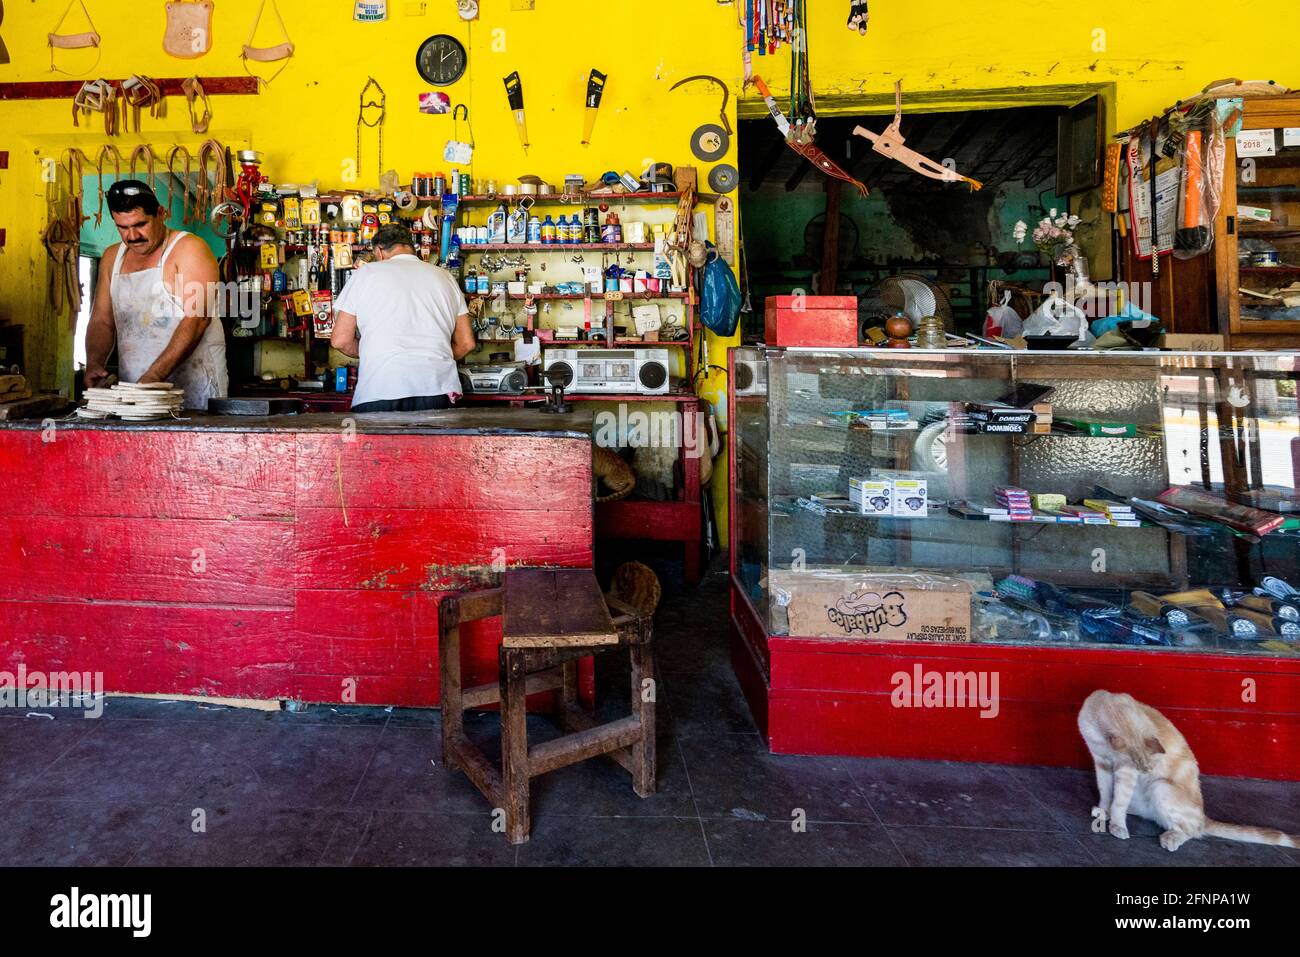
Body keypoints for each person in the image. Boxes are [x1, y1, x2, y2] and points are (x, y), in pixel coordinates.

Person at [84, 179, 228, 410]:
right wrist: (94, 363)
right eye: (122, 227)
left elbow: (197, 319)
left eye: (140, 224)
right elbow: (102, 320)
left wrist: (153, 377)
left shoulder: (190, 249)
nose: (132, 236)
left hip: (195, 391)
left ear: (160, 213)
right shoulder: (112, 258)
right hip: (136, 393)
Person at [331, 224, 476, 413]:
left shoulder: (366, 274)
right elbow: (466, 343)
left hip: (380, 391)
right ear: (411, 247)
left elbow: (340, 340)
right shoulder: (445, 277)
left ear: (380, 252)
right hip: (438, 390)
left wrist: (377, 354)